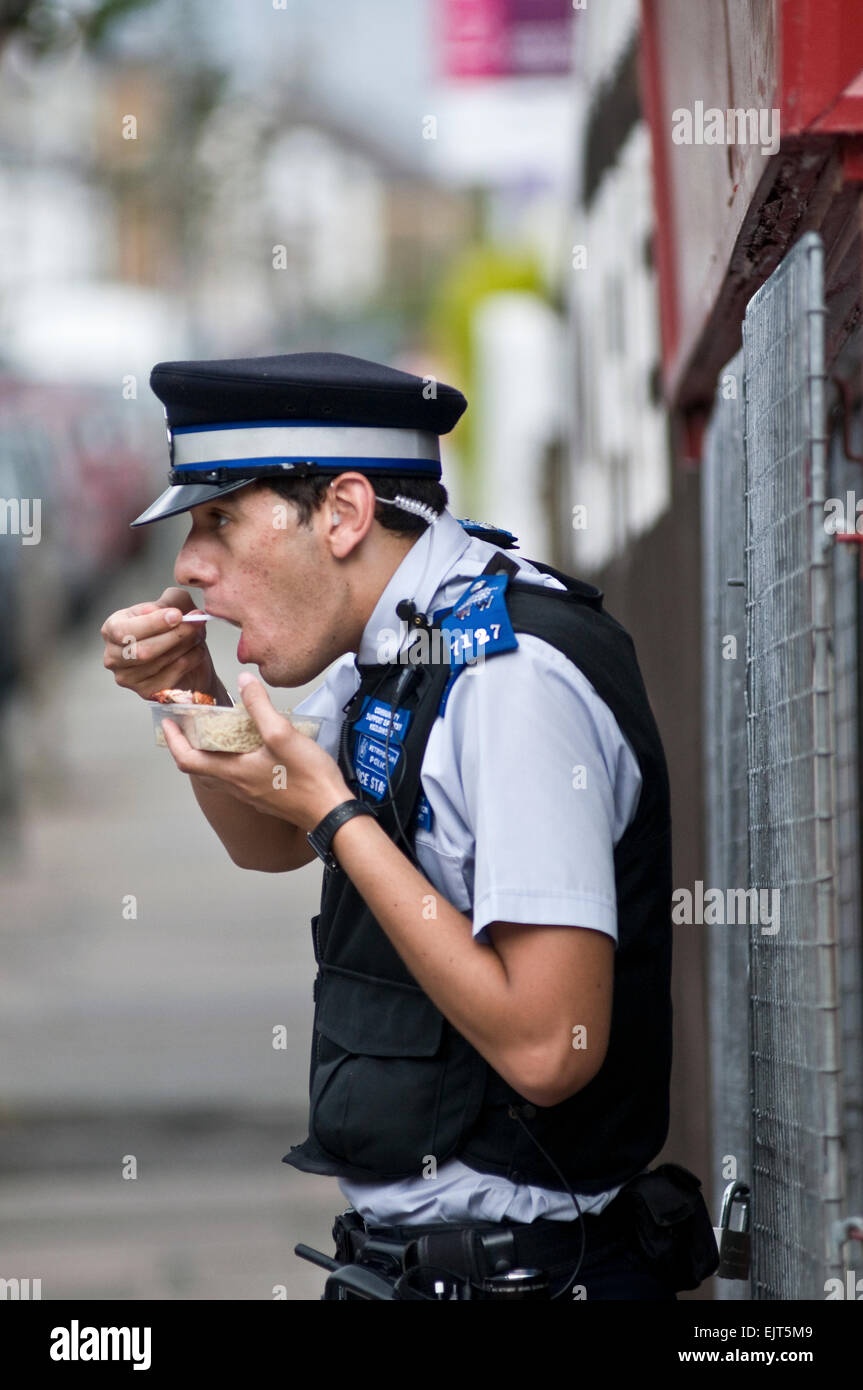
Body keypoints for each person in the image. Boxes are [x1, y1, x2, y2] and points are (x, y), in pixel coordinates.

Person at [100, 351, 718, 1301]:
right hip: (415, 1270)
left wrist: (335, 815)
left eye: (219, 519)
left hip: (531, 1281)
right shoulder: (399, 639)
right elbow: (266, 839)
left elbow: (554, 1050)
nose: (189, 564)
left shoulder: (506, 682)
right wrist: (186, 694)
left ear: (344, 513)